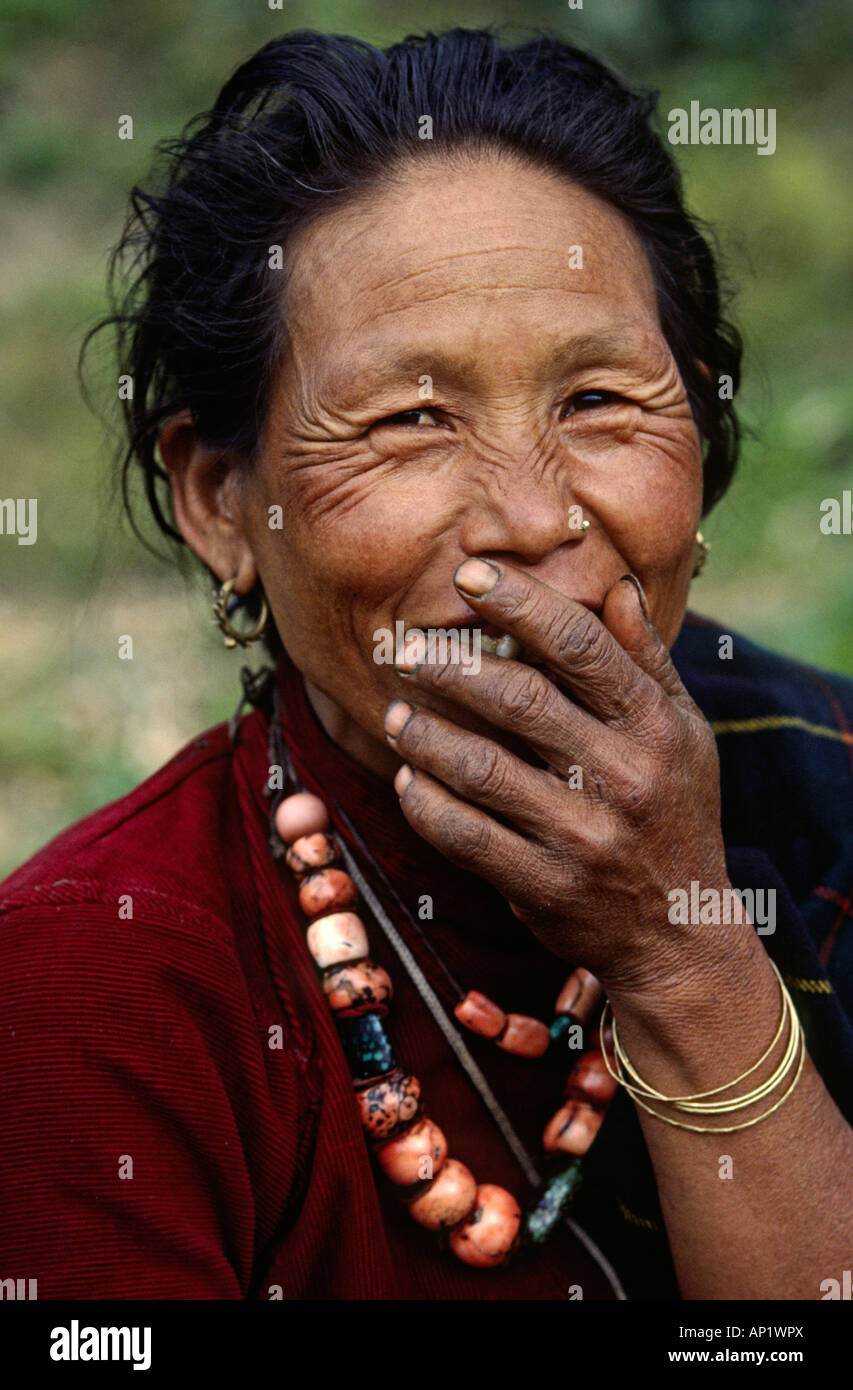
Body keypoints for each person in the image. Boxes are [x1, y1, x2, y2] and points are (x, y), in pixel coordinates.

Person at [1, 27, 851, 1301]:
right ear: (222, 500)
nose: (527, 515)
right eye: (409, 420)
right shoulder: (97, 987)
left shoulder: (821, 777)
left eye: (600, 402)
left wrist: (684, 964)